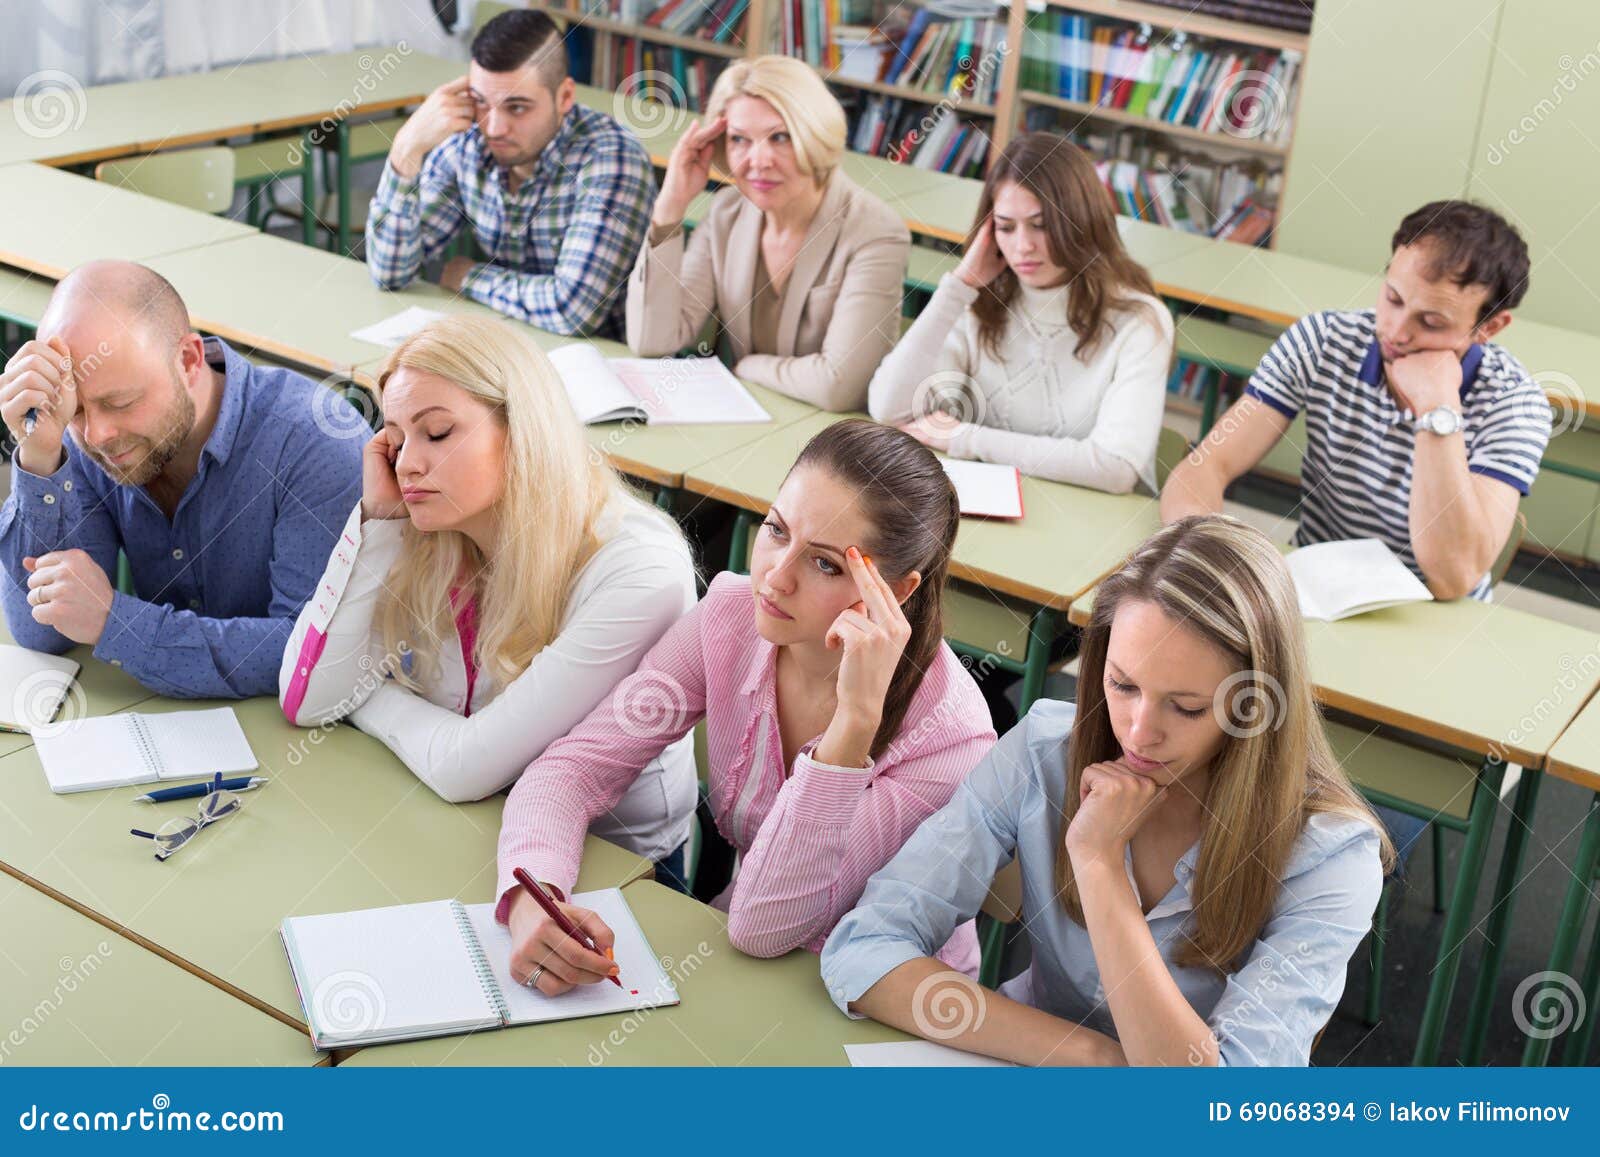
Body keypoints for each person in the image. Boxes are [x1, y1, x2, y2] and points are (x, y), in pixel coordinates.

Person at [823, 515, 1392, 1066]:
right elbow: (864, 948)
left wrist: (1100, 866)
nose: (1138, 734)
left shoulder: (1332, 856)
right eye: (1122, 684)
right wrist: (1090, 1056)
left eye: (1186, 707)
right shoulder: (1045, 751)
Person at [494, 420, 995, 997]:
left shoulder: (949, 739)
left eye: (826, 564)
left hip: (881, 995)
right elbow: (574, 768)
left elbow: (765, 926)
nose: (775, 579)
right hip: (750, 962)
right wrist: (534, 895)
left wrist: (854, 725)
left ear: (898, 592)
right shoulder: (731, 617)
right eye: (776, 530)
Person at [280, 315, 698, 877]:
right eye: (396, 440)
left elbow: (466, 770)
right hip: (454, 825)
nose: (406, 465)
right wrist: (377, 523)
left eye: (437, 433)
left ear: (523, 430)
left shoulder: (639, 570)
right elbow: (306, 700)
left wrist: (368, 698)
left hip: (613, 868)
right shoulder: (427, 520)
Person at [0, 260, 362, 698]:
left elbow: (311, 657)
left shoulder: (317, 445)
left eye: (120, 402)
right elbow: (42, 632)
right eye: (77, 410)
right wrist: (39, 456)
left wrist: (115, 623)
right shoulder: (81, 436)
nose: (97, 435)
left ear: (189, 361)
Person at [1161, 200, 1552, 600]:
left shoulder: (1515, 403)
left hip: (1434, 612)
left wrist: (1437, 410)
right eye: (1393, 299)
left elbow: (1453, 578)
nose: (1396, 332)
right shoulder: (1322, 340)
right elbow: (1204, 468)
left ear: (1489, 327)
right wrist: (1204, 563)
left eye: (1431, 322)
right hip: (1317, 593)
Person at [870, 132, 1172, 495]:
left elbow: (1115, 468)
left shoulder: (1140, 321)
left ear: (1081, 221)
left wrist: (967, 438)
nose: (1023, 246)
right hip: (985, 508)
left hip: (1087, 518)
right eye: (1006, 227)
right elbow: (889, 408)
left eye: (1041, 225)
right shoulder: (977, 301)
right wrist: (959, 285)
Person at [626, 56, 909, 412]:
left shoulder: (876, 232)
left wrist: (748, 366)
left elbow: (839, 388)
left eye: (780, 137)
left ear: (815, 136)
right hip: (749, 419)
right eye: (739, 139)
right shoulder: (727, 213)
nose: (759, 161)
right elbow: (652, 341)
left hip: (830, 435)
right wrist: (670, 206)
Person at [367, 8, 655, 337]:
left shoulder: (612, 159)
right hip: (510, 343)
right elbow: (389, 272)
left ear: (564, 97)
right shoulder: (467, 141)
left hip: (600, 356)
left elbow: (572, 312)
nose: (494, 128)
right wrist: (405, 150)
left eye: (516, 107)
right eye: (480, 101)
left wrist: (469, 277)